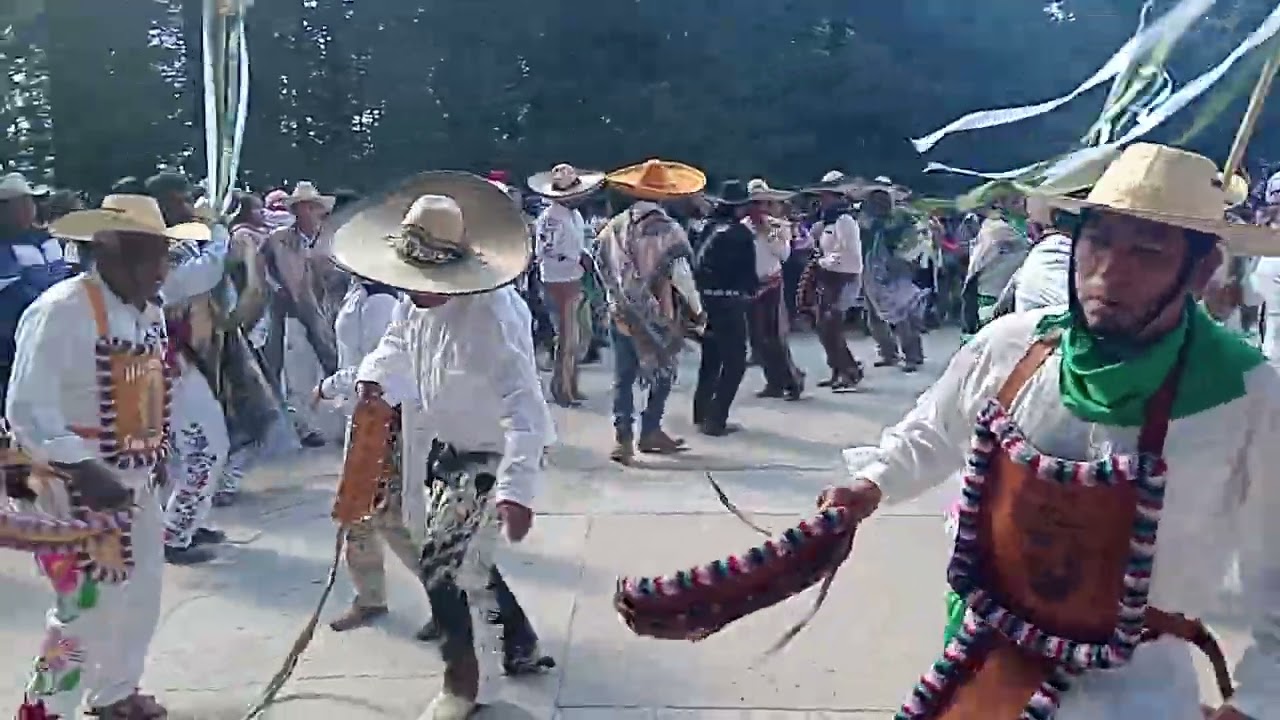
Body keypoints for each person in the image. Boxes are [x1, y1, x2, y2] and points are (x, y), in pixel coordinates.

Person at [830, 144, 1280, 720]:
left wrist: (1256, 704)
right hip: (981, 673)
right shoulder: (1013, 346)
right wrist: (868, 487)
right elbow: (931, 433)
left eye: (1146, 252)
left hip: (1132, 699)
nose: (1108, 273)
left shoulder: (1248, 396)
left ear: (1201, 270)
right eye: (1098, 242)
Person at [335, 172, 556, 720]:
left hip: (486, 459)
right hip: (444, 452)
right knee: (463, 566)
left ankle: (464, 685)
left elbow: (527, 408)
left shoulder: (493, 316)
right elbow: (392, 346)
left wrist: (517, 489)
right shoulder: (414, 304)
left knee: (443, 570)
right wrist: (372, 378)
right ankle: (515, 644)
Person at [10, 194, 210, 720]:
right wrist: (82, 467)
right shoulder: (61, 311)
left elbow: (142, 388)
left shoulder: (148, 312)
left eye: (167, 255)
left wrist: (155, 450)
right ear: (111, 252)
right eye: (153, 256)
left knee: (140, 591)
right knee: (85, 608)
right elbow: (27, 408)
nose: (164, 270)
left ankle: (115, 692)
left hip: (135, 481)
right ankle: (44, 710)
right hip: (72, 488)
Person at [319, 276, 438, 637]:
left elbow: (380, 371)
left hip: (383, 422)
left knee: (391, 518)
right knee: (360, 515)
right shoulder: (358, 293)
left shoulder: (387, 305)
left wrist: (329, 386)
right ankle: (370, 596)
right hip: (361, 418)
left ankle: (446, 597)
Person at [143, 172, 236, 565]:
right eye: (177, 200)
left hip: (171, 362)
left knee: (184, 450)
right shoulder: (155, 255)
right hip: (163, 368)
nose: (186, 206)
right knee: (206, 449)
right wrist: (216, 230)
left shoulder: (167, 247)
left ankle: (183, 521)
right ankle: (175, 534)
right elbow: (206, 270)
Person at [595, 159, 707, 464]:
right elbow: (680, 274)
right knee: (663, 373)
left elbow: (600, 264)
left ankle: (623, 439)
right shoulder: (667, 229)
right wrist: (697, 311)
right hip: (658, 314)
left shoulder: (612, 227)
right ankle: (651, 429)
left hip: (620, 312)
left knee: (623, 377)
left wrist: (616, 297)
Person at [264, 182, 340, 447]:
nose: (305, 211)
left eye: (310, 206)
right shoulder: (278, 239)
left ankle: (341, 421)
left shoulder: (333, 240)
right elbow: (265, 270)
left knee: (332, 366)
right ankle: (304, 426)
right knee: (297, 371)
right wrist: (277, 290)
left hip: (327, 312)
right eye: (300, 207)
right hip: (292, 314)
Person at [527, 163, 606, 407]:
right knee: (566, 337)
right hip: (558, 279)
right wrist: (576, 256)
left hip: (573, 276)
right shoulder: (550, 219)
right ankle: (562, 388)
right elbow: (546, 250)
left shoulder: (574, 215)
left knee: (576, 337)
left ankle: (571, 384)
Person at [691, 181, 757, 436]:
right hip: (729, 303)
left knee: (711, 359)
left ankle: (701, 411)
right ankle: (716, 419)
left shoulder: (704, 229)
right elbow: (749, 277)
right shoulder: (740, 234)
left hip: (704, 300)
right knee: (735, 362)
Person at [0, 172, 67, 410]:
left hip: (55, 342)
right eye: (22, 203)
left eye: (30, 202)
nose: (29, 208)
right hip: (10, 349)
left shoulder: (48, 239)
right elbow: (16, 292)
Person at [858, 180, 930, 372]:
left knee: (900, 314)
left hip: (894, 272)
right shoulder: (870, 222)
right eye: (874, 199)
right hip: (871, 273)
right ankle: (888, 353)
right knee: (874, 317)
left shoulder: (899, 220)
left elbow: (909, 245)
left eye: (881, 199)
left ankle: (913, 355)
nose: (877, 203)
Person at [802, 171, 865, 389]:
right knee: (823, 327)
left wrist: (823, 262)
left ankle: (848, 371)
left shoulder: (845, 220)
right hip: (828, 278)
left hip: (844, 277)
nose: (823, 199)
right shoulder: (825, 222)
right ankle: (838, 369)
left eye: (827, 195)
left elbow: (846, 253)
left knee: (832, 325)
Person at [744, 178, 805, 400]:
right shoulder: (743, 227)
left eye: (763, 203)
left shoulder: (779, 226)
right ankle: (774, 382)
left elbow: (785, 255)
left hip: (772, 284)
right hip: (751, 284)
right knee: (758, 339)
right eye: (754, 203)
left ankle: (793, 380)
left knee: (775, 337)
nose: (759, 208)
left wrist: (769, 233)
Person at [961, 182, 1032, 337]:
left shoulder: (1011, 226)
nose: (1023, 205)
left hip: (1002, 293)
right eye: (1016, 201)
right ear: (1000, 204)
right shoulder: (999, 229)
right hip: (994, 295)